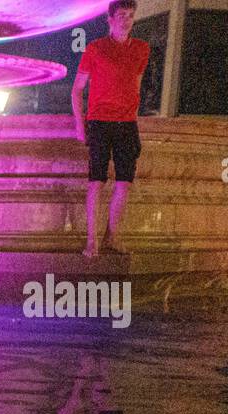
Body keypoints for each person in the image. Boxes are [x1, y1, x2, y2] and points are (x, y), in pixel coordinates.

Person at [72, 0, 149, 257]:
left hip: (127, 123)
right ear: (110, 19)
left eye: (130, 15)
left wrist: (133, 115)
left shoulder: (141, 49)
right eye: (121, 15)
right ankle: (92, 240)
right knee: (96, 181)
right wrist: (79, 123)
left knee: (124, 183)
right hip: (100, 122)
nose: (126, 20)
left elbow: (135, 85)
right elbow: (77, 89)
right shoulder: (95, 49)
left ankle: (112, 236)